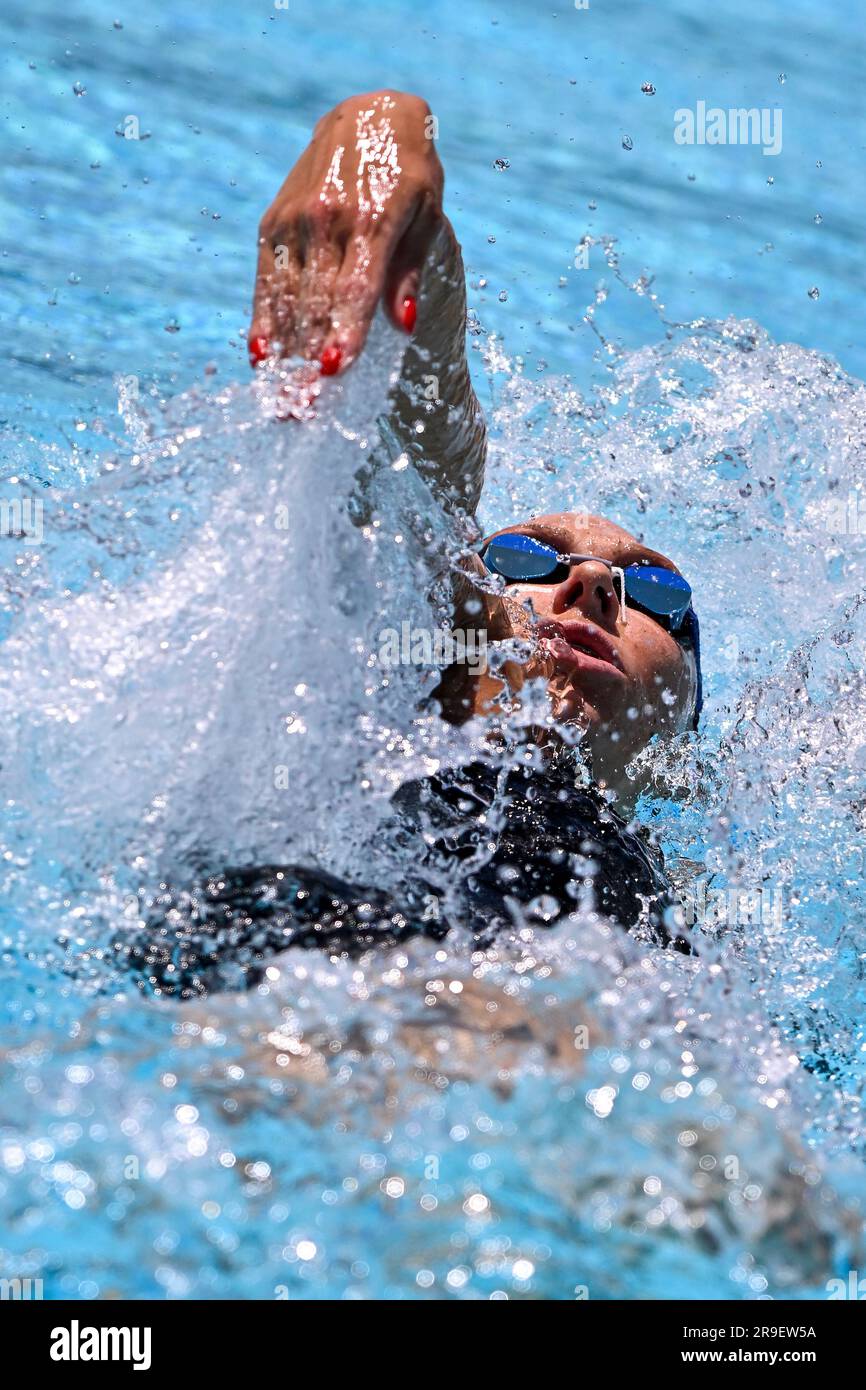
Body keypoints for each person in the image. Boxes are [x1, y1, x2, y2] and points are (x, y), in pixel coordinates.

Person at [120, 91, 702, 997]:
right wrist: (377, 134)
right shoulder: (390, 704)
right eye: (524, 560)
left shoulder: (700, 925)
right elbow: (417, 449)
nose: (589, 583)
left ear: (686, 724)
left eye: (656, 592)